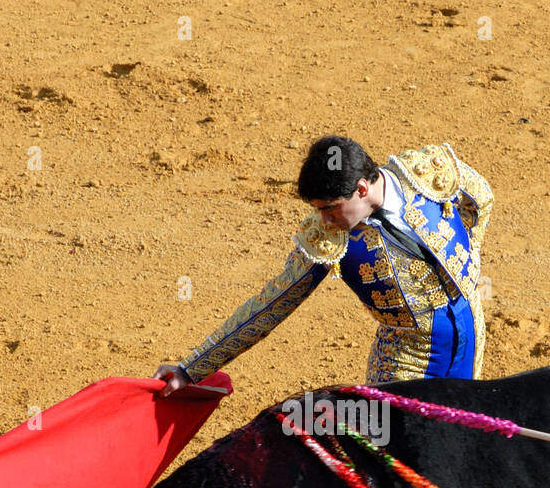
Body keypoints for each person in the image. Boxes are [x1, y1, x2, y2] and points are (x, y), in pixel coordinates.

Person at [154, 135, 493, 395]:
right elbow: (272, 304)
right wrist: (191, 369)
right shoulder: (326, 241)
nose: (324, 219)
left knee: (464, 435)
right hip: (408, 358)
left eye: (330, 208)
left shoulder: (425, 170)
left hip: (471, 326)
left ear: (362, 188)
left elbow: (481, 195)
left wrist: (469, 262)